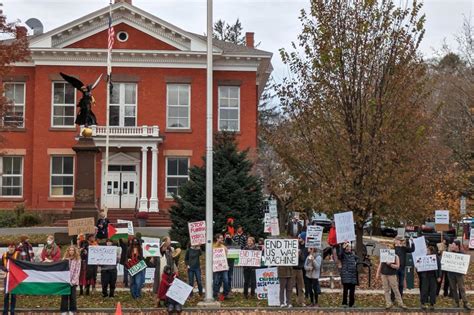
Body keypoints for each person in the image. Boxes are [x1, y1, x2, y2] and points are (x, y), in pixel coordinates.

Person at [376, 245, 407, 310]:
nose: (388, 250)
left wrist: (390, 264)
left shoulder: (396, 256)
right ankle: (388, 303)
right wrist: (377, 273)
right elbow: (380, 264)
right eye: (387, 248)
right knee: (386, 289)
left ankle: (400, 303)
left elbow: (398, 266)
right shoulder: (384, 255)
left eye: (390, 249)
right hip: (384, 274)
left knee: (395, 289)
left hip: (392, 275)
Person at [446, 240, 471, 310]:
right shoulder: (449, 254)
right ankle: (456, 303)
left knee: (462, 288)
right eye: (452, 245)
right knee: (453, 288)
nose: (452, 246)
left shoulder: (462, 254)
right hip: (451, 274)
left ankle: (465, 303)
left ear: (457, 246)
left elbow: (465, 263)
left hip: (459, 274)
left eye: (453, 245)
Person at [391, 235, 414, 300]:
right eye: (399, 240)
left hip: (402, 268)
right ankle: (393, 298)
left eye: (401, 241)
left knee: (401, 284)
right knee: (394, 284)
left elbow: (412, 250)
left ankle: (400, 297)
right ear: (396, 241)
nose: (401, 242)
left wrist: (412, 242)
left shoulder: (403, 248)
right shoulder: (393, 248)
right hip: (394, 268)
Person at [60, 245, 81, 315]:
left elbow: (77, 271)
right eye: (70, 250)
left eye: (73, 250)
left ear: (75, 251)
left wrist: (73, 281)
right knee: (64, 296)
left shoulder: (77, 259)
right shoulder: (65, 259)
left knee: (72, 296)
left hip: (73, 281)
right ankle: (64, 310)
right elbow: (61, 269)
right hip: (65, 281)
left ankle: (72, 310)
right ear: (68, 251)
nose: (71, 251)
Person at [338, 242, 358, 308]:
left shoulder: (353, 255)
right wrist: (343, 247)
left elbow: (358, 259)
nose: (348, 248)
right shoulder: (343, 255)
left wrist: (356, 262)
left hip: (353, 275)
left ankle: (351, 303)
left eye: (349, 247)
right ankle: (344, 303)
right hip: (346, 275)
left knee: (352, 291)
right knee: (345, 290)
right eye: (347, 247)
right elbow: (340, 255)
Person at [2, 243, 18, 315]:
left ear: (15, 248)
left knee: (13, 295)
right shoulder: (4, 255)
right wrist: (5, 269)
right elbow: (1, 264)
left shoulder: (18, 255)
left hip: (14, 277)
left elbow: (20, 264)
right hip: (7, 276)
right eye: (10, 247)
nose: (11, 249)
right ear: (8, 247)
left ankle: (12, 311)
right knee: (6, 295)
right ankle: (5, 311)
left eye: (13, 247)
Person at [212, 233, 230, 300]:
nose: (222, 239)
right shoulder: (213, 247)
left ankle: (225, 294)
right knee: (216, 281)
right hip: (216, 267)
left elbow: (226, 256)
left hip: (224, 267)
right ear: (217, 239)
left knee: (226, 280)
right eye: (220, 238)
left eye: (222, 238)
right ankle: (215, 294)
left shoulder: (224, 247)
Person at [291, 233, 306, 306]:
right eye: (298, 238)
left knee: (301, 286)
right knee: (290, 286)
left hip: (300, 269)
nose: (298, 239)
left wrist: (299, 253)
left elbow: (303, 259)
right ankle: (289, 301)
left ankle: (301, 301)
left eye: (299, 238)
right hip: (292, 269)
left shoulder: (304, 248)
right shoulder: (293, 245)